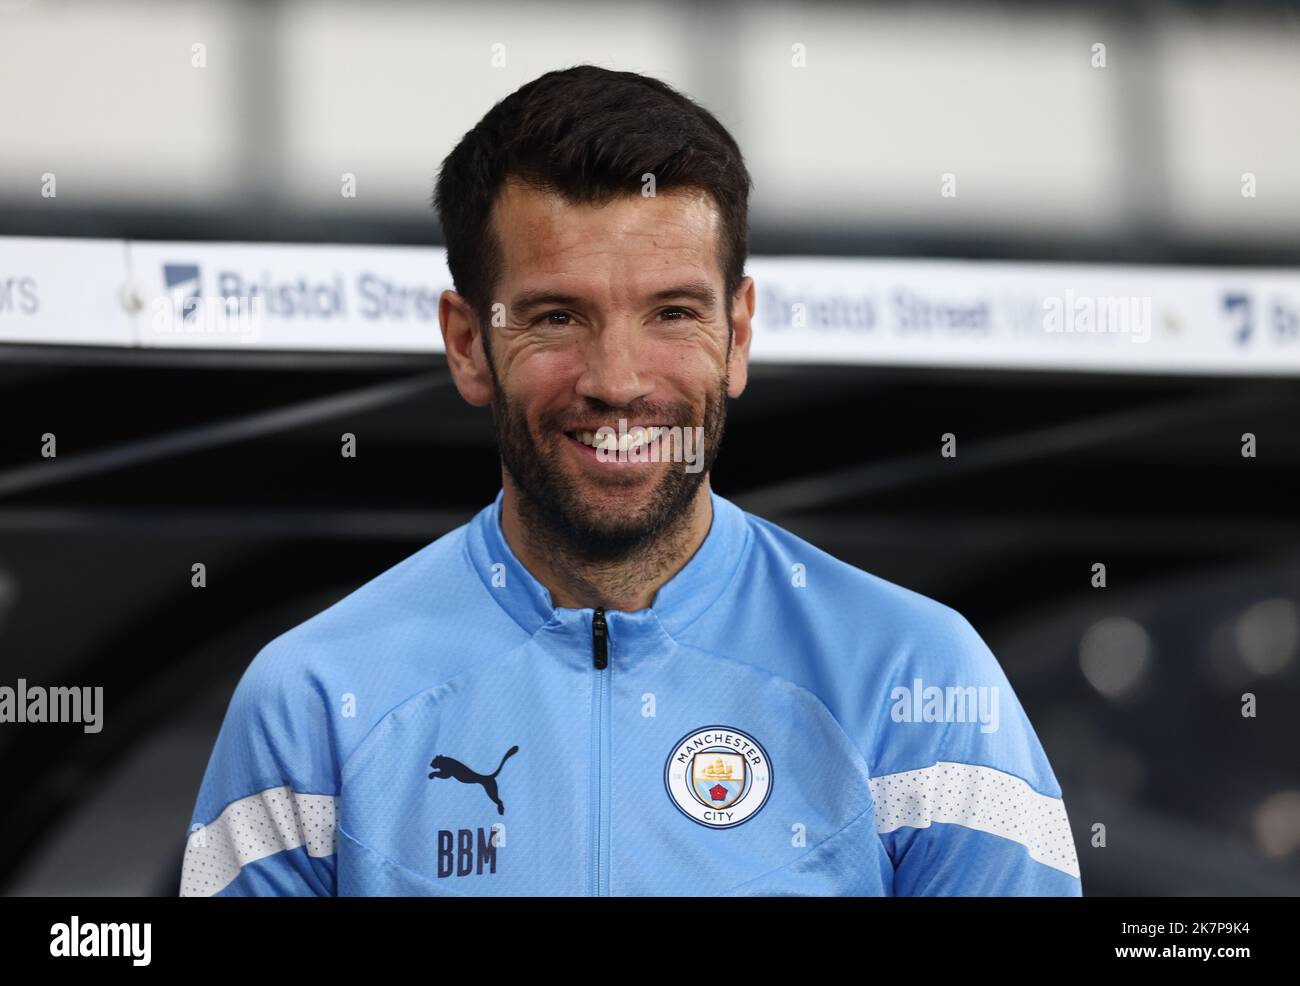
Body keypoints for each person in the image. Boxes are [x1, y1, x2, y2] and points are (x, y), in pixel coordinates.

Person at [180, 65, 1082, 896]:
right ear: (468, 344)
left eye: (673, 313)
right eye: (557, 316)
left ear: (740, 333)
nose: (618, 380)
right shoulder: (309, 701)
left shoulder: (914, 676)